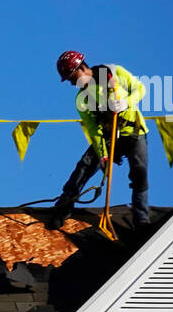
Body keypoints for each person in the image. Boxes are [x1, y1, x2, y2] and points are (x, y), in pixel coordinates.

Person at [50, 50, 150, 230]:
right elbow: (93, 130)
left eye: (72, 77)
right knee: (84, 166)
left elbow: (140, 88)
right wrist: (103, 156)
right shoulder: (82, 99)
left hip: (133, 131)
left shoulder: (114, 72)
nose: (72, 83)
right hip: (108, 137)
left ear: (81, 68)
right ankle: (62, 209)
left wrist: (127, 102)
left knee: (139, 173)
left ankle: (141, 221)